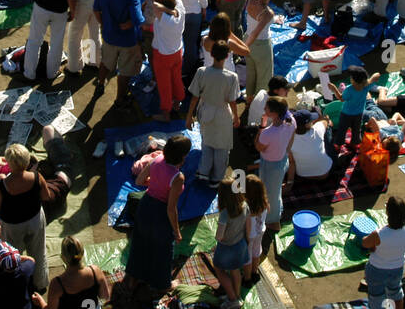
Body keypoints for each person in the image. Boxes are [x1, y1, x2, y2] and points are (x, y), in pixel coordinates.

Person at [125, 134, 189, 292]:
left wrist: (154, 183)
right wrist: (177, 231)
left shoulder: (157, 159)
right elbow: (171, 208)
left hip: (145, 205)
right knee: (163, 250)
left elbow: (139, 181)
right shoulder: (177, 177)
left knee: (140, 243)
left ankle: (133, 277)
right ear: (182, 156)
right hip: (160, 212)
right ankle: (163, 284)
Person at [0, 144, 53, 291]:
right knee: (38, 252)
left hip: (12, 225)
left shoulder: (2, 185)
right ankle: (40, 283)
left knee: (13, 256)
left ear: (10, 163)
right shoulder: (37, 177)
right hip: (34, 219)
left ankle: (17, 286)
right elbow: (46, 196)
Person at [186, 42, 242, 187]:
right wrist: (236, 117)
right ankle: (217, 178)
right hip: (223, 114)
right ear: (228, 55)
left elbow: (194, 98)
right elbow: (232, 101)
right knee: (222, 147)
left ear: (211, 54)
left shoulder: (201, 72)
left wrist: (188, 117)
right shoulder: (232, 77)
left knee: (207, 142)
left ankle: (203, 172)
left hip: (205, 112)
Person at [41, 236, 113, 309]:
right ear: (82, 253)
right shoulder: (95, 271)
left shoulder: (58, 284)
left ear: (63, 257)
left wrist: (40, 302)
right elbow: (105, 296)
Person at [360, 196, 405, 309]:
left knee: (376, 298)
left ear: (388, 213)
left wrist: (373, 246)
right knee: (396, 290)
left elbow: (365, 243)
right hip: (397, 268)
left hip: (377, 269)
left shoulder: (380, 234)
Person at [93, 0, 145, 107]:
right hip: (128, 42)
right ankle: (120, 99)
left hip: (109, 36)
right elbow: (139, 20)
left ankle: (100, 83)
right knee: (125, 72)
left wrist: (103, 24)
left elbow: (96, 9)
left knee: (105, 62)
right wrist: (130, 23)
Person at [255, 95, 297, 230]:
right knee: (276, 188)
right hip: (281, 161)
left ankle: (272, 221)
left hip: (270, 165)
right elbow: (291, 140)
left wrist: (262, 126)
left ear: (273, 113)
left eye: (266, 108)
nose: (264, 109)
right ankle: (276, 212)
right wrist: (285, 151)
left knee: (269, 194)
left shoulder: (268, 133)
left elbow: (258, 146)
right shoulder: (291, 120)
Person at [212, 173, 251, 309]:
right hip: (240, 245)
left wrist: (215, 244)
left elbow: (220, 236)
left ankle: (232, 298)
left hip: (226, 247)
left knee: (219, 268)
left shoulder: (225, 213)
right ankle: (237, 295)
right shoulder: (245, 205)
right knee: (235, 270)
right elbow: (248, 228)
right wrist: (247, 243)